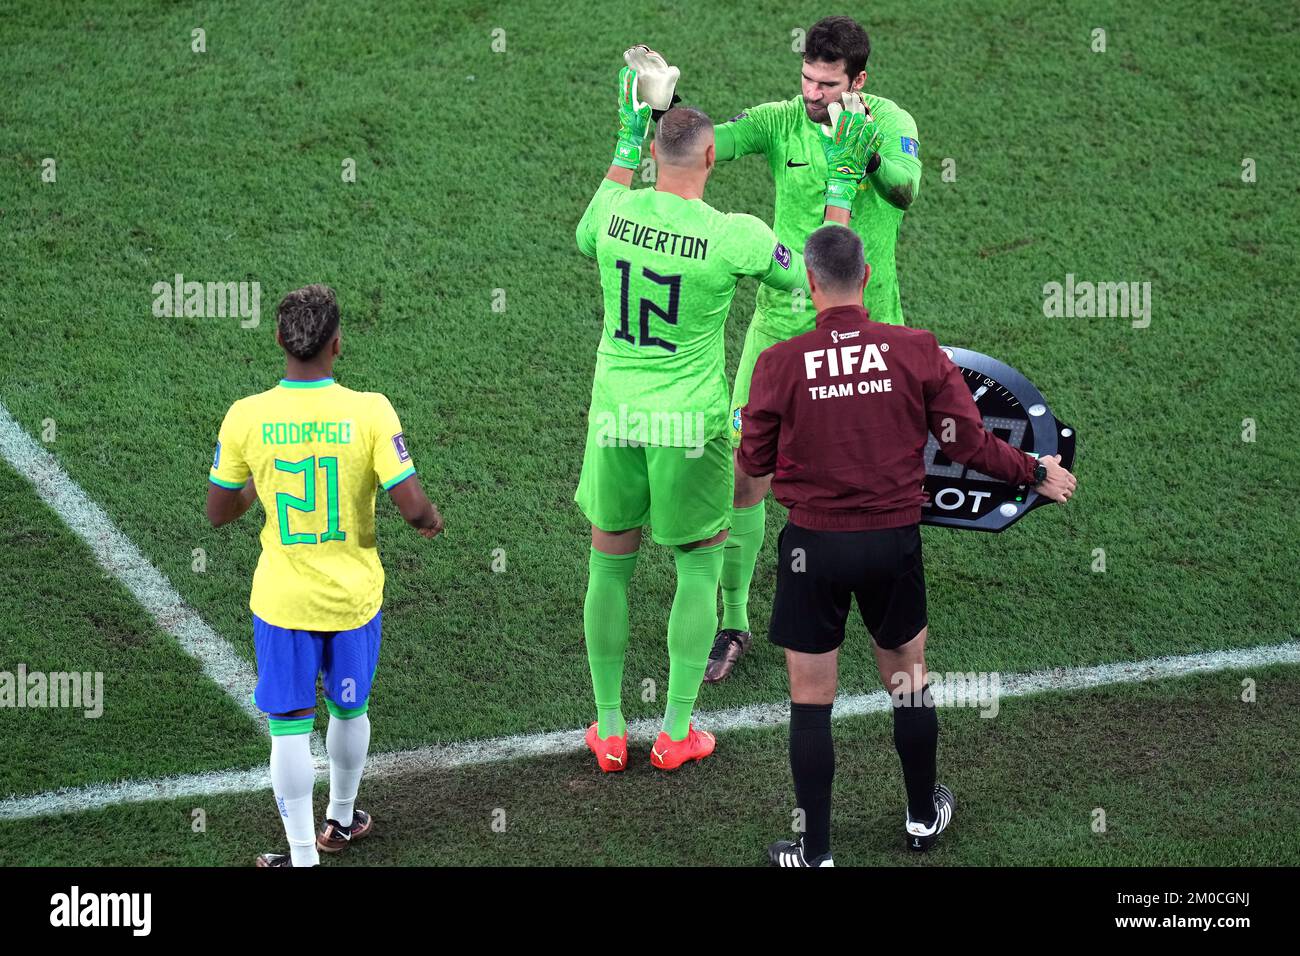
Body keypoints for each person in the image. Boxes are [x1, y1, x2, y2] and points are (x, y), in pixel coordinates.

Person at [739, 226, 1076, 866]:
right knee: (910, 685)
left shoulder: (777, 364)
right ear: (866, 279)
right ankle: (923, 815)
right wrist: (1034, 471)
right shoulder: (915, 350)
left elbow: (752, 463)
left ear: (810, 284)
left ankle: (815, 853)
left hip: (813, 547)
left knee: (811, 706)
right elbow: (967, 445)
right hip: (893, 542)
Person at [572, 52, 870, 772]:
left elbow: (587, 229)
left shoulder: (613, 213)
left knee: (609, 566)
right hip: (690, 424)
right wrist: (839, 180)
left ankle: (610, 729)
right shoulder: (732, 234)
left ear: (654, 153)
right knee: (697, 566)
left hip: (615, 415)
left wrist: (628, 131)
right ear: (711, 156)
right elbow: (815, 276)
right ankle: (675, 733)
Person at [705, 15, 924, 682]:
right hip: (780, 327)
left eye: (827, 85)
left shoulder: (890, 121)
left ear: (859, 81)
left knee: (878, 472)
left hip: (869, 330)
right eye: (806, 78)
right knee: (745, 470)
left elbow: (905, 190)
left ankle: (886, 602)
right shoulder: (781, 121)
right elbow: (712, 141)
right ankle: (735, 621)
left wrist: (869, 153)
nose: (811, 92)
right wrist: (665, 113)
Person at [206, 284, 444, 867]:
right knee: (349, 710)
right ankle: (340, 817)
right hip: (352, 600)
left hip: (283, 602)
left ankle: (303, 856)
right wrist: (431, 521)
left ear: (280, 341)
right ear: (337, 345)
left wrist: (258, 487)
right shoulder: (370, 411)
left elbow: (218, 511)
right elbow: (412, 506)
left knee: (288, 727)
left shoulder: (247, 416)